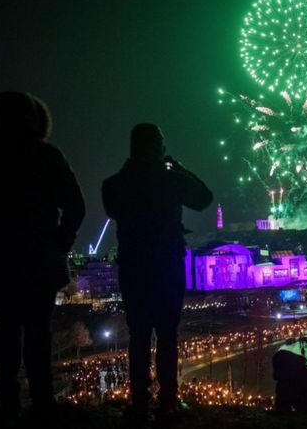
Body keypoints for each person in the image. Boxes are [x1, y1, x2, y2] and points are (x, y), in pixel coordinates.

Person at [0, 91, 85, 416]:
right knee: (39, 335)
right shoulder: (48, 156)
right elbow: (75, 207)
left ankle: (9, 405)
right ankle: (42, 404)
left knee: (5, 333)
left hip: (0, 262)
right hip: (41, 262)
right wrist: (59, 244)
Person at [102, 123, 212, 420]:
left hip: (134, 267)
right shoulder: (170, 179)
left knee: (138, 336)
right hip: (167, 266)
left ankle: (139, 403)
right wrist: (178, 166)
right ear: (159, 146)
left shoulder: (113, 184)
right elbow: (204, 198)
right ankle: (168, 402)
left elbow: (113, 209)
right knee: (167, 336)